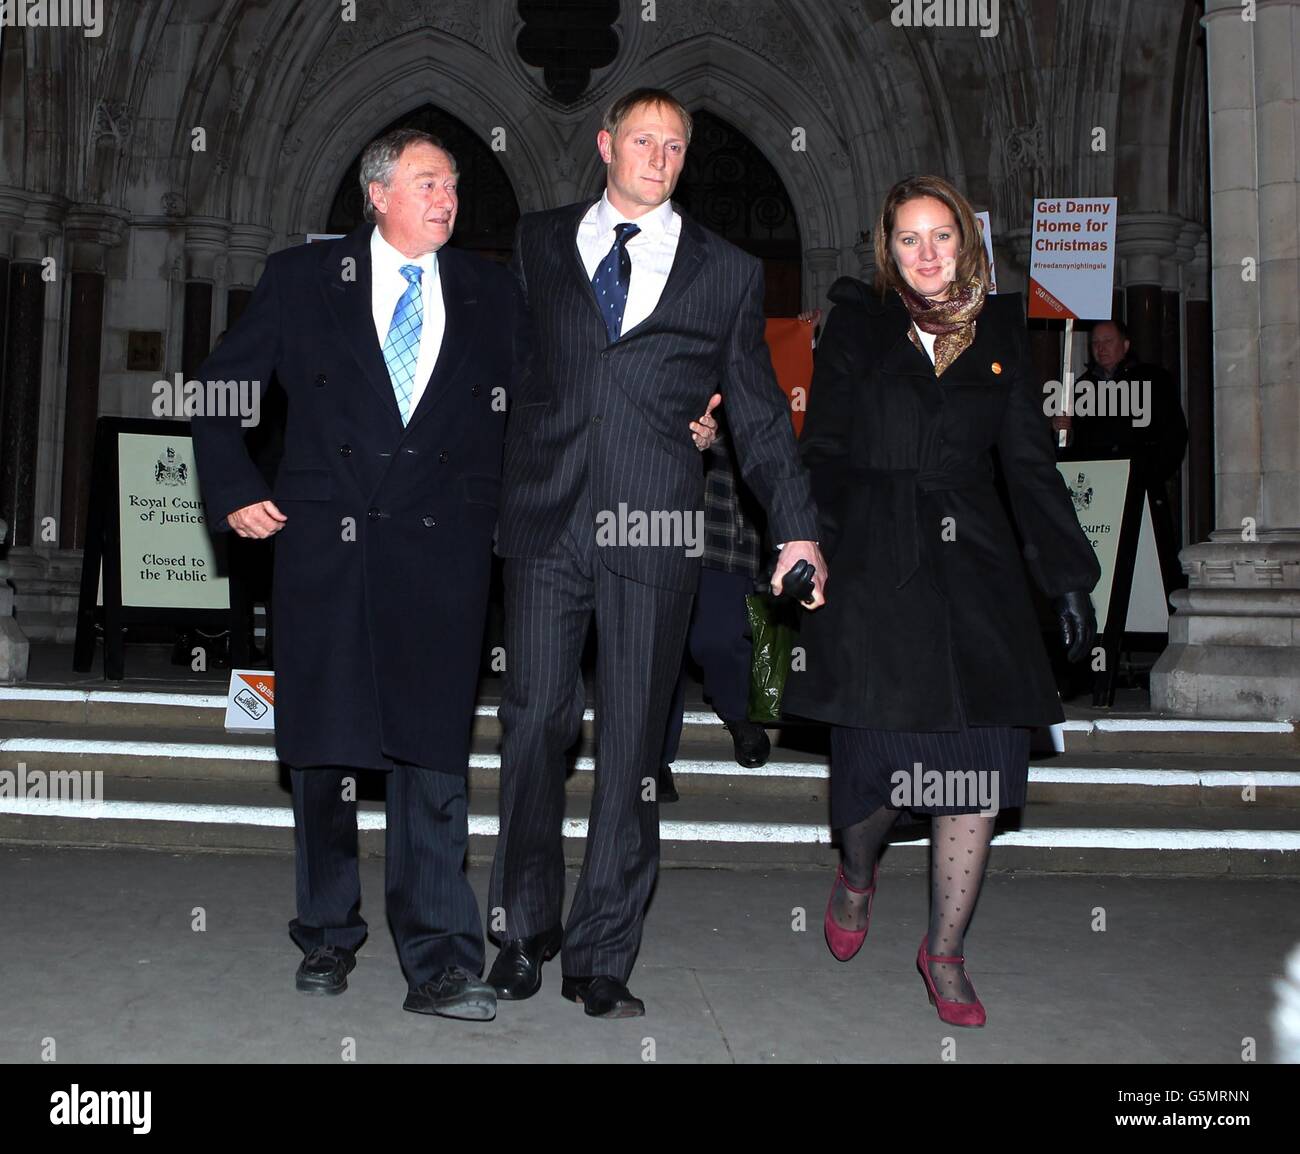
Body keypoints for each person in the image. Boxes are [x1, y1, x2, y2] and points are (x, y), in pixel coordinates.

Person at [487, 87, 826, 1019]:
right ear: (606, 144)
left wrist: (794, 524)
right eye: (644, 140)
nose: (660, 158)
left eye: (676, 147)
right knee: (534, 724)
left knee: (634, 738)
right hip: (545, 520)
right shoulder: (540, 240)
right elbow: (509, 373)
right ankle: (522, 928)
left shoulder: (726, 269)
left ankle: (600, 953)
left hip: (655, 528)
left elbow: (756, 412)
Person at [190, 128, 521, 1022]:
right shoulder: (305, 280)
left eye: (452, 185)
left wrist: (678, 428)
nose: (447, 198)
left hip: (444, 551)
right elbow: (221, 388)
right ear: (378, 194)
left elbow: (547, 405)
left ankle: (444, 961)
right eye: (427, 183)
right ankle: (328, 934)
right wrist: (231, 486)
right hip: (325, 547)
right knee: (325, 756)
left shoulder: (492, 291)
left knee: (433, 763)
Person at [782, 175, 1100, 1027]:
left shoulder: (1000, 332)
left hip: (978, 577)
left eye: (943, 237)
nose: (927, 255)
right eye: (910, 240)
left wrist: (1069, 577)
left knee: (979, 766)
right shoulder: (858, 323)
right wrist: (804, 541)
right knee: (880, 766)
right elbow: (825, 447)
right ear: (889, 251)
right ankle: (856, 871)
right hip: (878, 565)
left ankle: (946, 951)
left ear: (967, 242)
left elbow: (1029, 465)